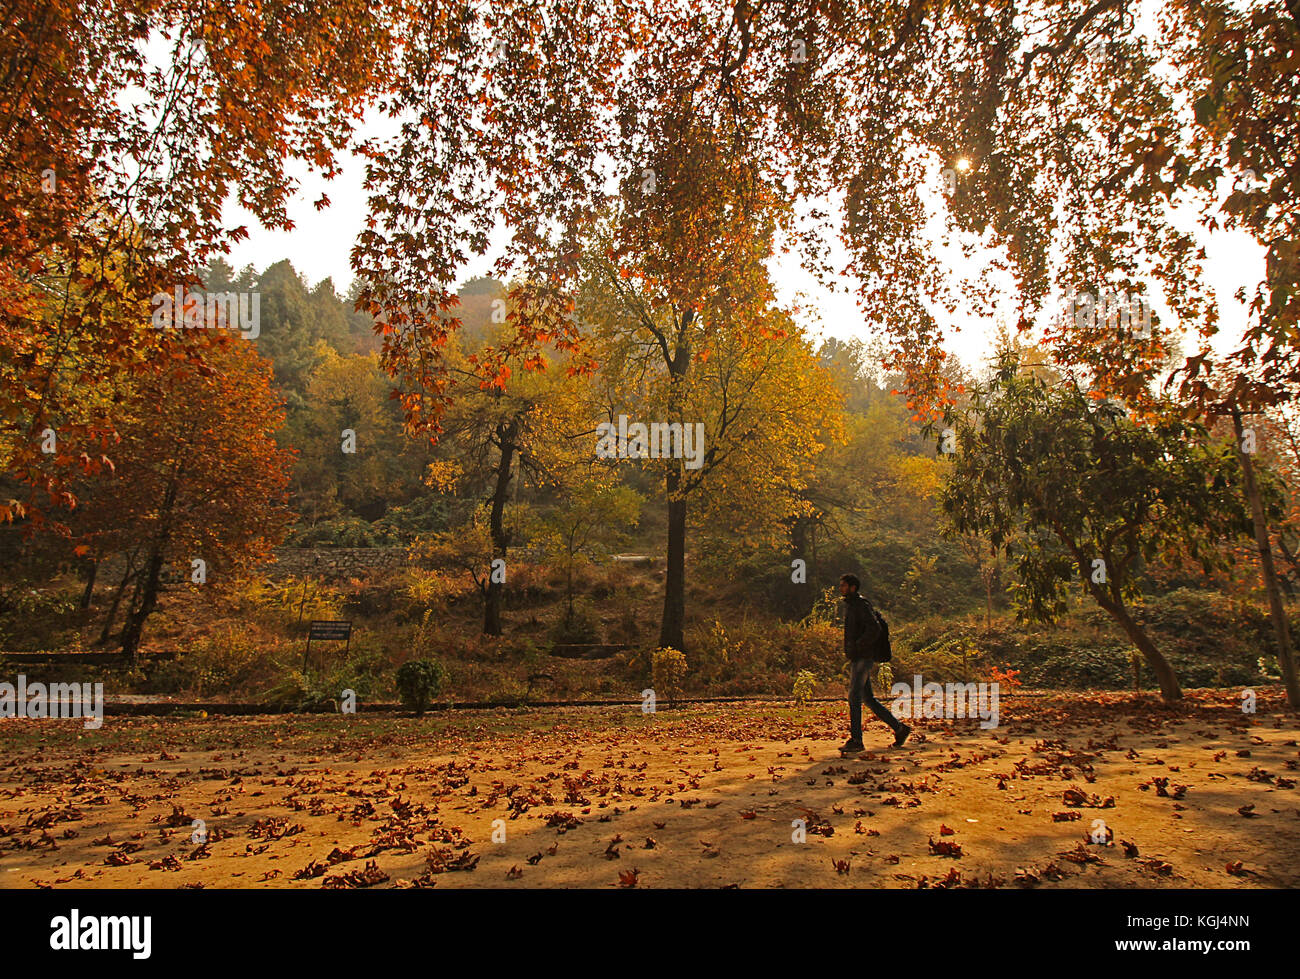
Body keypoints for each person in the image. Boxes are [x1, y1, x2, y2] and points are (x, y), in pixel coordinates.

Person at [840, 573, 910, 752]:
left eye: (844, 585)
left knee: (854, 697)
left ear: (853, 587)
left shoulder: (860, 605)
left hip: (863, 657)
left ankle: (856, 740)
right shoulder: (852, 605)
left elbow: (874, 628)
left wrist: (858, 646)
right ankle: (900, 729)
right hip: (859, 656)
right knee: (868, 699)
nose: (841, 588)